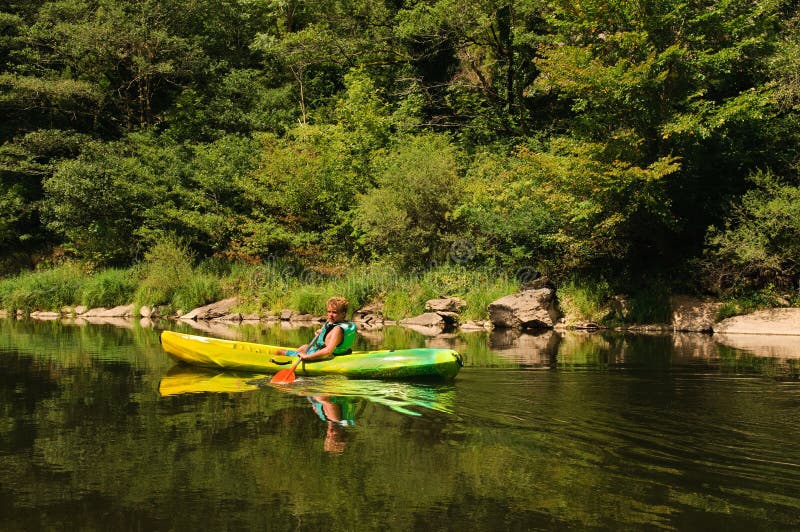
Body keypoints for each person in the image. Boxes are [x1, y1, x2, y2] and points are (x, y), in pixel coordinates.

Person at [279, 296, 357, 362]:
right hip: (327, 351)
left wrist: (307, 357)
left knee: (280, 352)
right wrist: (322, 332)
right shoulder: (334, 322)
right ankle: (295, 356)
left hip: (326, 356)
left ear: (343, 314)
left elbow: (328, 351)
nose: (330, 315)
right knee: (304, 347)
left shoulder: (338, 329)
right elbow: (329, 335)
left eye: (334, 312)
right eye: (329, 312)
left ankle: (291, 358)